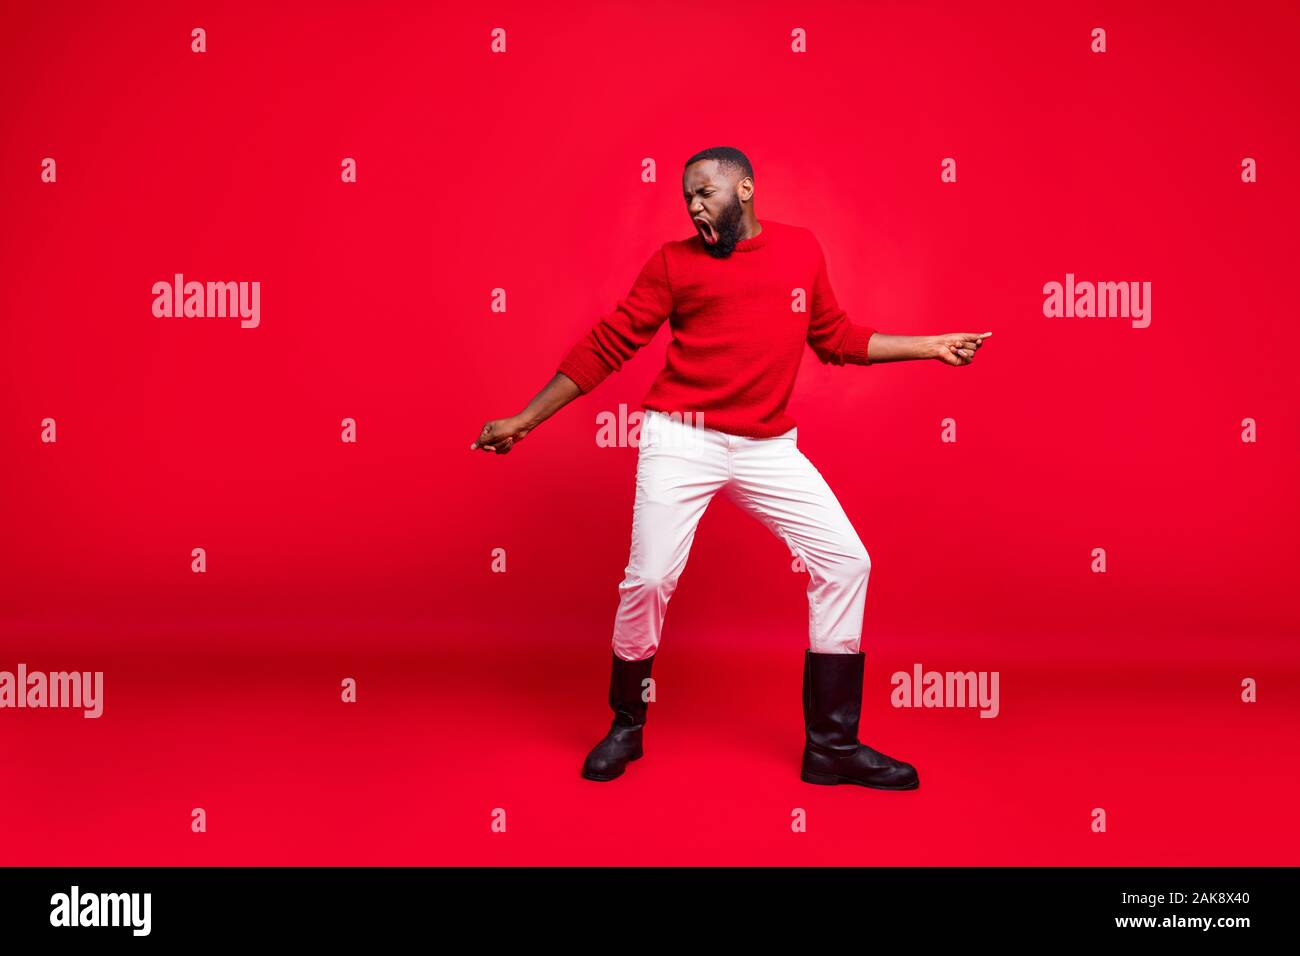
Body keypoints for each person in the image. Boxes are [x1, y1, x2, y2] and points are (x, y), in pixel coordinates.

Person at [470, 146, 991, 789]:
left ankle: (831, 745)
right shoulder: (672, 263)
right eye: (686, 197)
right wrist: (525, 418)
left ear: (743, 188)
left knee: (846, 561)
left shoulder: (801, 249)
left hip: (766, 446)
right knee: (651, 577)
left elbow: (836, 339)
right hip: (681, 437)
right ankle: (626, 724)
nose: (693, 206)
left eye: (704, 193)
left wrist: (929, 346)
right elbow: (609, 343)